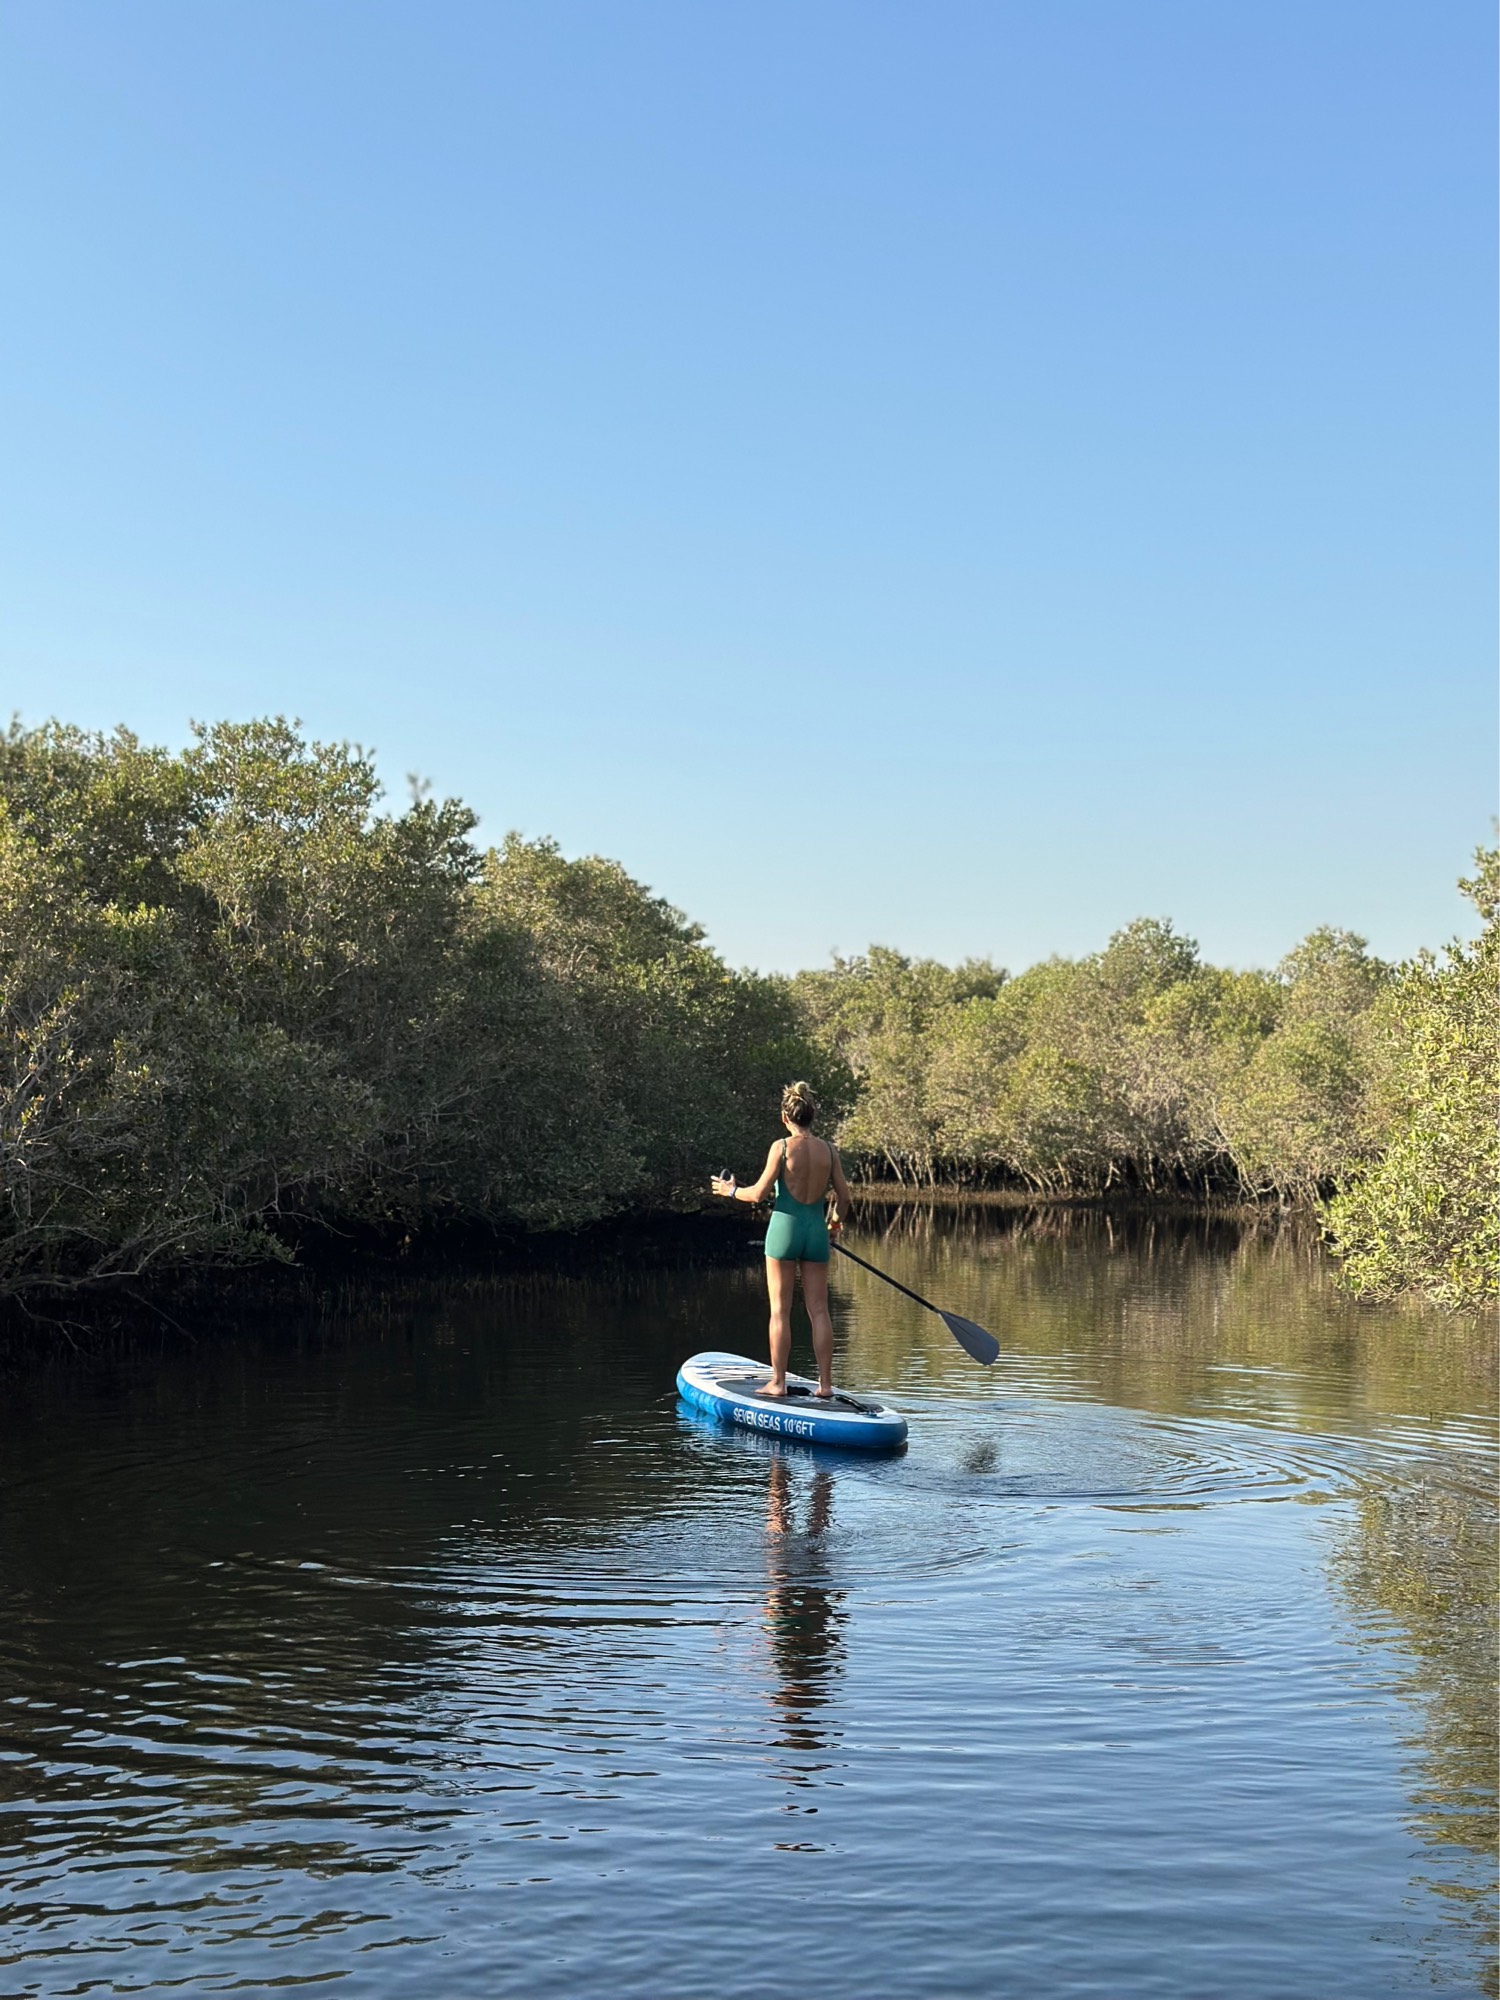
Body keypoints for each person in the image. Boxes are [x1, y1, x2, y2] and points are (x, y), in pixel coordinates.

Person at [710, 1081, 854, 1399]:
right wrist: (834, 1225)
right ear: (811, 1116)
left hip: (784, 1231)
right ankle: (826, 1386)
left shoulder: (782, 1147)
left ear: (785, 1118)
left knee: (780, 1311)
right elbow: (844, 1197)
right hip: (816, 1232)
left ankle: (778, 1382)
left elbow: (759, 1194)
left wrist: (729, 1190)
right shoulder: (829, 1151)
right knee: (819, 1311)